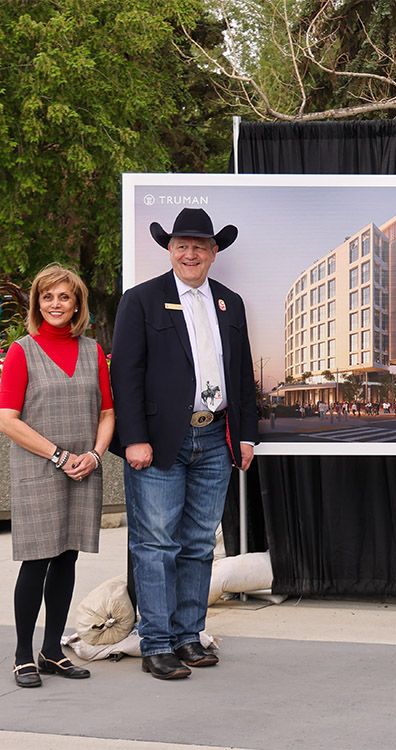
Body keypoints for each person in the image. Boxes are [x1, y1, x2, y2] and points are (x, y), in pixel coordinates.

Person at [110, 208, 258, 680]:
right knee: (155, 544)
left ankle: (188, 637)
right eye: (181, 245)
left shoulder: (230, 304)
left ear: (214, 253)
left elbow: (242, 376)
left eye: (200, 245)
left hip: (216, 437)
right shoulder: (141, 300)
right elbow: (125, 376)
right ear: (169, 250)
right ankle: (156, 643)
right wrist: (133, 438)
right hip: (158, 442)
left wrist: (247, 435)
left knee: (197, 543)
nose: (190, 253)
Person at [0, 264, 114, 688]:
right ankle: (22, 656)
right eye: (47, 297)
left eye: (64, 296)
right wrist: (59, 455)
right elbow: (7, 420)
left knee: (68, 557)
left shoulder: (92, 351)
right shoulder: (21, 351)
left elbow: (107, 412)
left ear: (77, 303)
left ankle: (51, 652)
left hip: (83, 469)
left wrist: (95, 456)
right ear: (37, 303)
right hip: (38, 468)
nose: (55, 304)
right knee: (37, 561)